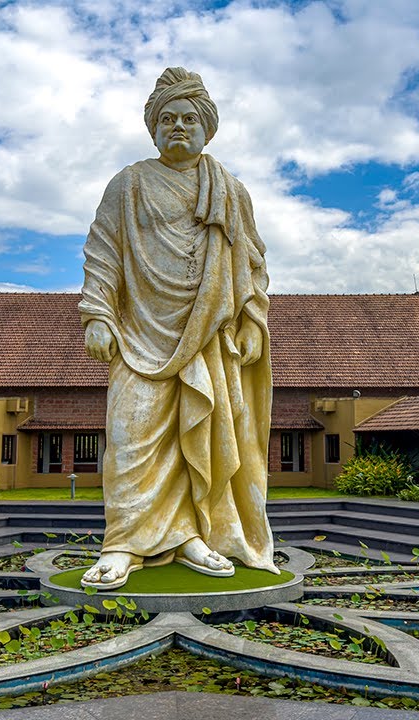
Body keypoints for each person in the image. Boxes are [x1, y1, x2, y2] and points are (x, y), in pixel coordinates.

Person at [78, 67, 277, 590]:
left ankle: (190, 535)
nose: (178, 127)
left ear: (207, 128)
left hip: (208, 333)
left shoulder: (230, 191)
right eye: (167, 119)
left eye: (189, 119)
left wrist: (252, 320)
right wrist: (98, 314)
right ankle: (122, 543)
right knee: (130, 436)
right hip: (139, 333)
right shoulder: (128, 184)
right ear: (153, 128)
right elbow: (103, 253)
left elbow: (252, 261)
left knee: (204, 435)